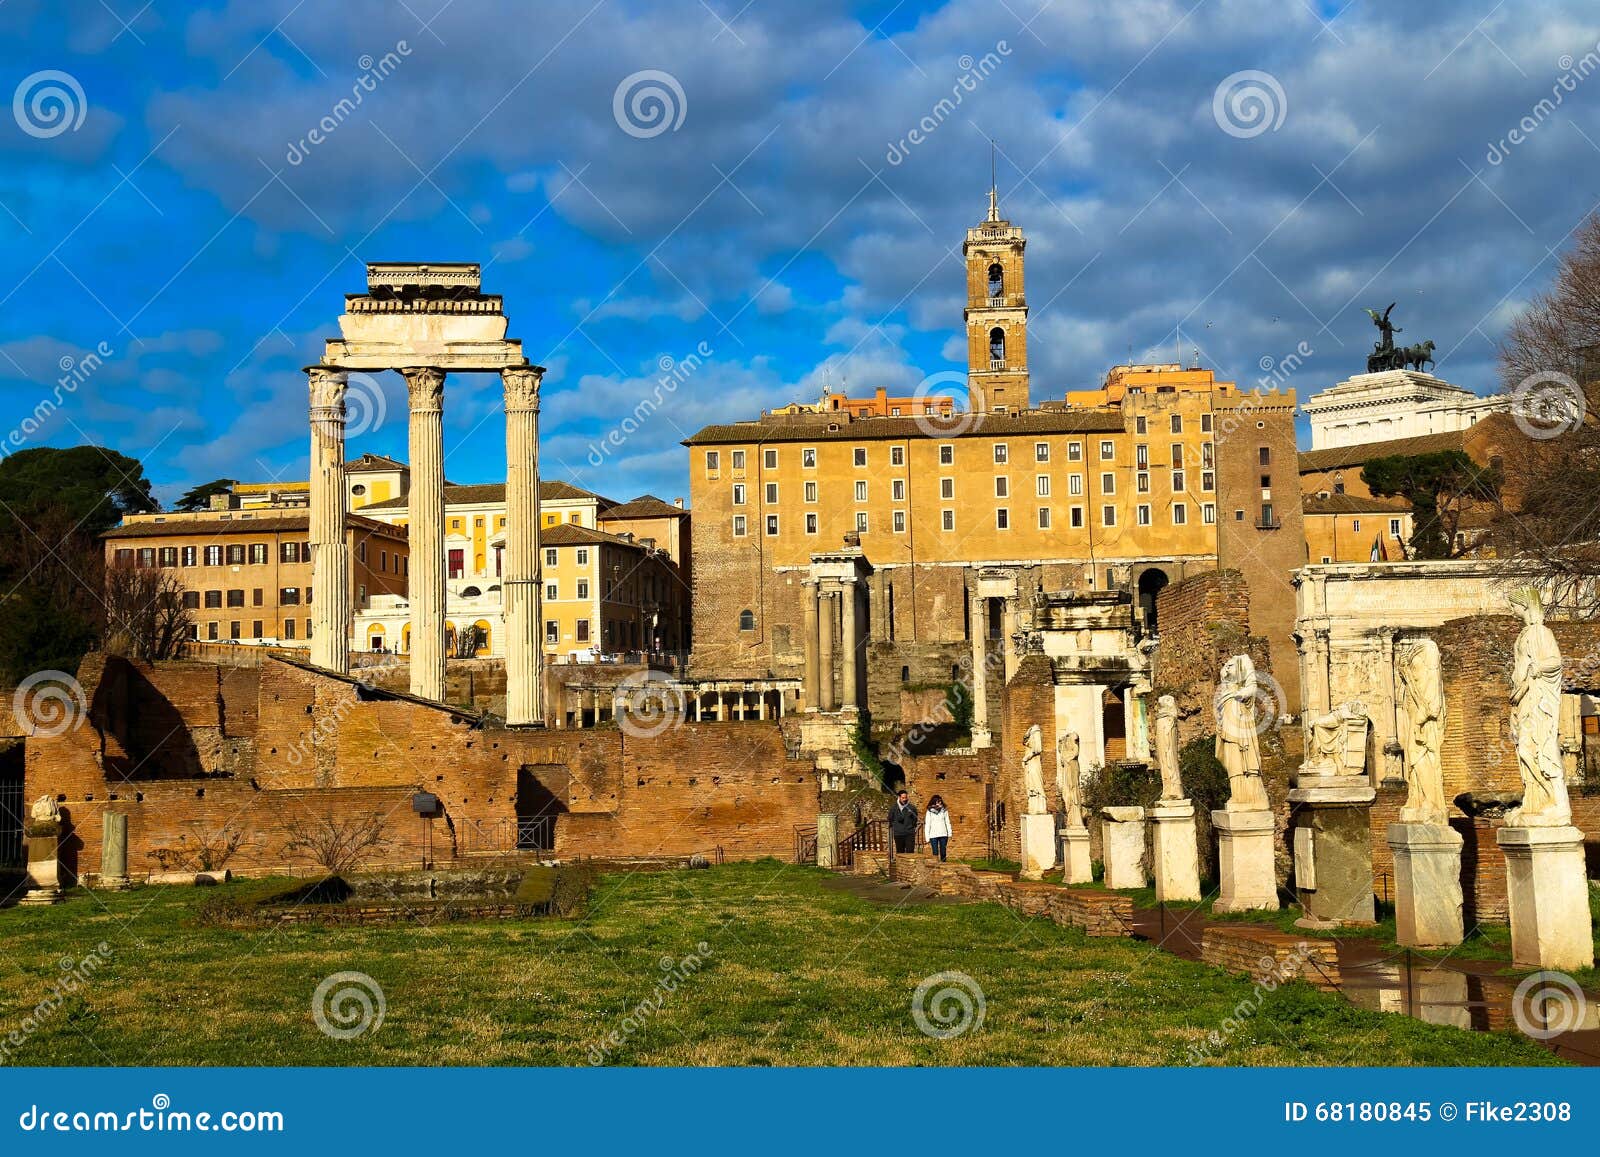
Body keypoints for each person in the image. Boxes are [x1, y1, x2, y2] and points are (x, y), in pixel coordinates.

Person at [888, 789, 919, 854]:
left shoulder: (912, 808)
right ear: (899, 797)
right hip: (898, 834)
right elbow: (890, 819)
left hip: (909, 833)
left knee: (910, 852)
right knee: (900, 853)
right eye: (903, 798)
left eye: (905, 797)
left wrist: (911, 827)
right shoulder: (893, 808)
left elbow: (915, 819)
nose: (904, 799)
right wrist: (896, 827)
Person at [923, 795, 952, 861]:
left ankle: (944, 867)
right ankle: (936, 868)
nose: (939, 803)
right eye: (937, 802)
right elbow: (927, 824)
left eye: (940, 801)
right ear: (933, 802)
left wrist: (949, 833)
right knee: (935, 853)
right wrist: (927, 837)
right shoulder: (929, 811)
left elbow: (947, 822)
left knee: (943, 852)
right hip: (933, 835)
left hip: (943, 834)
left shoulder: (944, 810)